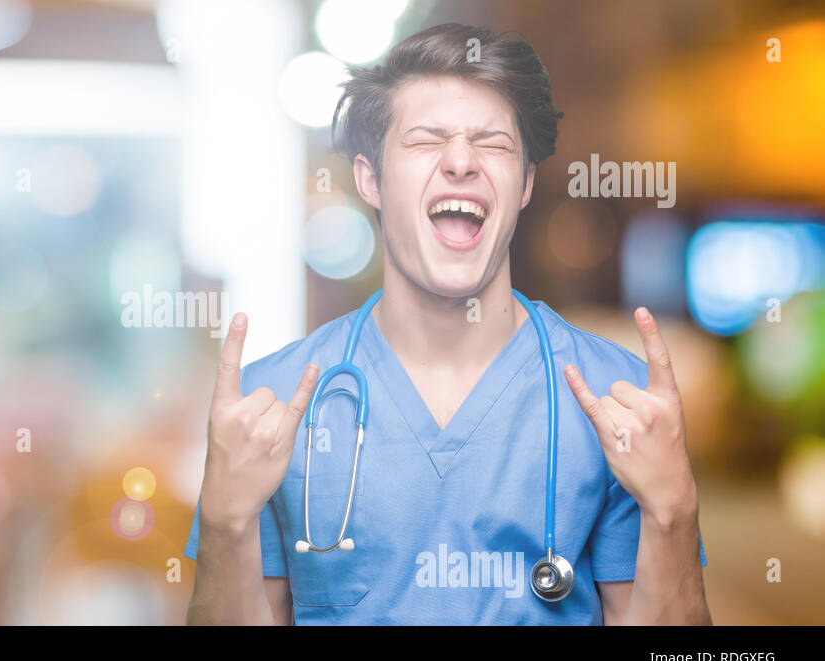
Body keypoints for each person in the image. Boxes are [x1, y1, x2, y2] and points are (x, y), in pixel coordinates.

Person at [182, 23, 711, 625]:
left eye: (492, 144)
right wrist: (224, 521)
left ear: (527, 184)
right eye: (426, 140)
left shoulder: (621, 403)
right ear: (370, 179)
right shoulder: (270, 405)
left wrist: (674, 512)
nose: (461, 161)